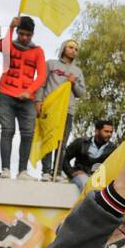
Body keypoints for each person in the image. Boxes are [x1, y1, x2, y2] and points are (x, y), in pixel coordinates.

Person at [0, 15, 46, 179]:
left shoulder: (38, 51)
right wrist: (10, 28)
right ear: (17, 32)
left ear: (32, 35)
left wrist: (29, 91)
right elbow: (2, 47)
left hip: (27, 100)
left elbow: (42, 76)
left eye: (28, 35)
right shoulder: (10, 44)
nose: (24, 38)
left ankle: (23, 171)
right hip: (6, 94)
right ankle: (5, 169)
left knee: (27, 134)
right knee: (7, 130)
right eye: (21, 34)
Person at [39, 39, 87, 178]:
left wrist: (73, 84)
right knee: (49, 139)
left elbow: (81, 93)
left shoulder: (77, 71)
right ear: (64, 48)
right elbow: (42, 84)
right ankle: (46, 171)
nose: (73, 51)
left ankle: (57, 172)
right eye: (71, 47)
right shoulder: (51, 64)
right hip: (51, 108)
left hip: (68, 110)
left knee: (62, 142)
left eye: (76, 49)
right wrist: (39, 102)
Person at [61, 119, 116, 190]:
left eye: (111, 132)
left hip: (99, 179)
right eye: (106, 131)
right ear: (96, 131)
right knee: (87, 185)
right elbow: (64, 158)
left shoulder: (113, 149)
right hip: (81, 176)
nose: (109, 134)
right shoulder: (81, 143)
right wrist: (71, 172)